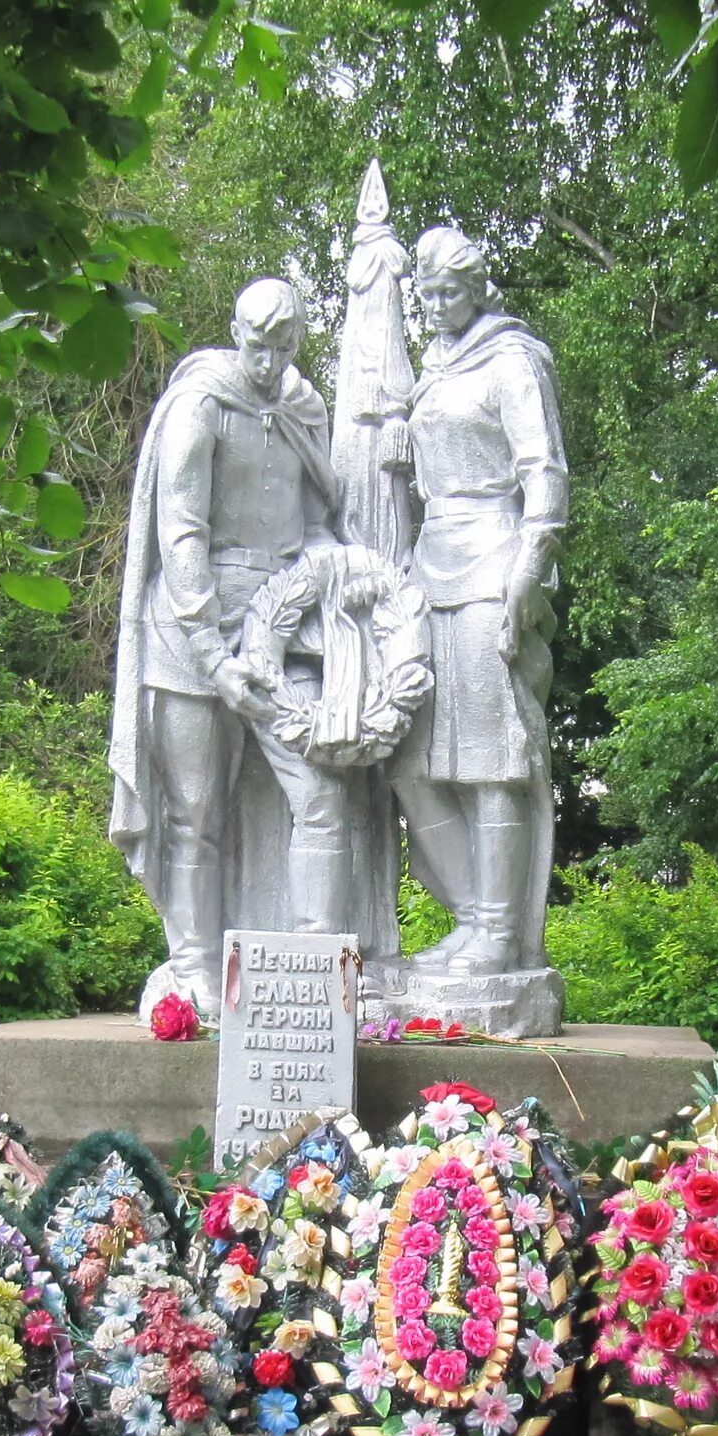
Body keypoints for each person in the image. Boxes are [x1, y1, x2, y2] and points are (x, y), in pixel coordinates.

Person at [108, 279, 394, 1015]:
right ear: (236, 331)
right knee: (195, 812)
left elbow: (315, 522)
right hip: (190, 628)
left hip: (281, 624)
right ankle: (194, 969)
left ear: (300, 343)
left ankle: (315, 974)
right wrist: (211, 655)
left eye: (283, 346)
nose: (267, 361)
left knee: (321, 794)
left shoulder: (302, 407)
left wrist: (339, 573)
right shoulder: (202, 403)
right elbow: (182, 531)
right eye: (256, 344)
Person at [390, 226, 566, 979]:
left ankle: (500, 937)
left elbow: (546, 477)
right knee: (410, 757)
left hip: (494, 561)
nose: (435, 305)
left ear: (478, 288)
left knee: (494, 760)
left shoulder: (512, 361)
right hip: (428, 568)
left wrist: (529, 572)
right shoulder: (429, 373)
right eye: (425, 293)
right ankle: (472, 918)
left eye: (449, 291)